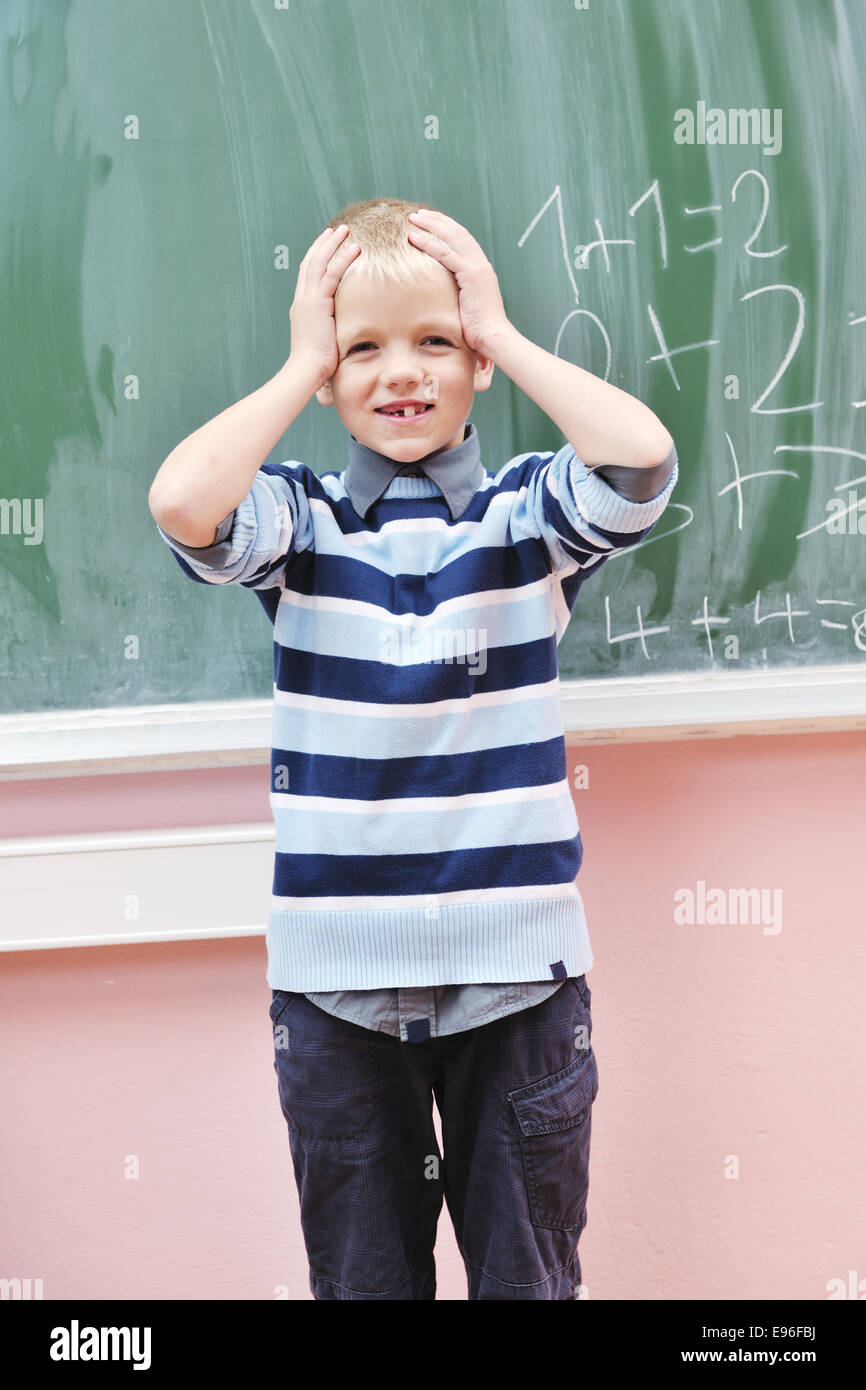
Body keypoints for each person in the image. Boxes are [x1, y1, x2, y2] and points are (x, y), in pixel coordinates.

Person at [148, 196, 679, 1300]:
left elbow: (639, 463)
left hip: (517, 992)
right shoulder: (299, 525)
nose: (403, 372)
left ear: (476, 356)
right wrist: (300, 361)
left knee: (525, 1287)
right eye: (363, 349)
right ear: (328, 376)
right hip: (336, 1004)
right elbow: (184, 504)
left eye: (436, 341)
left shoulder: (522, 516)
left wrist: (505, 331)